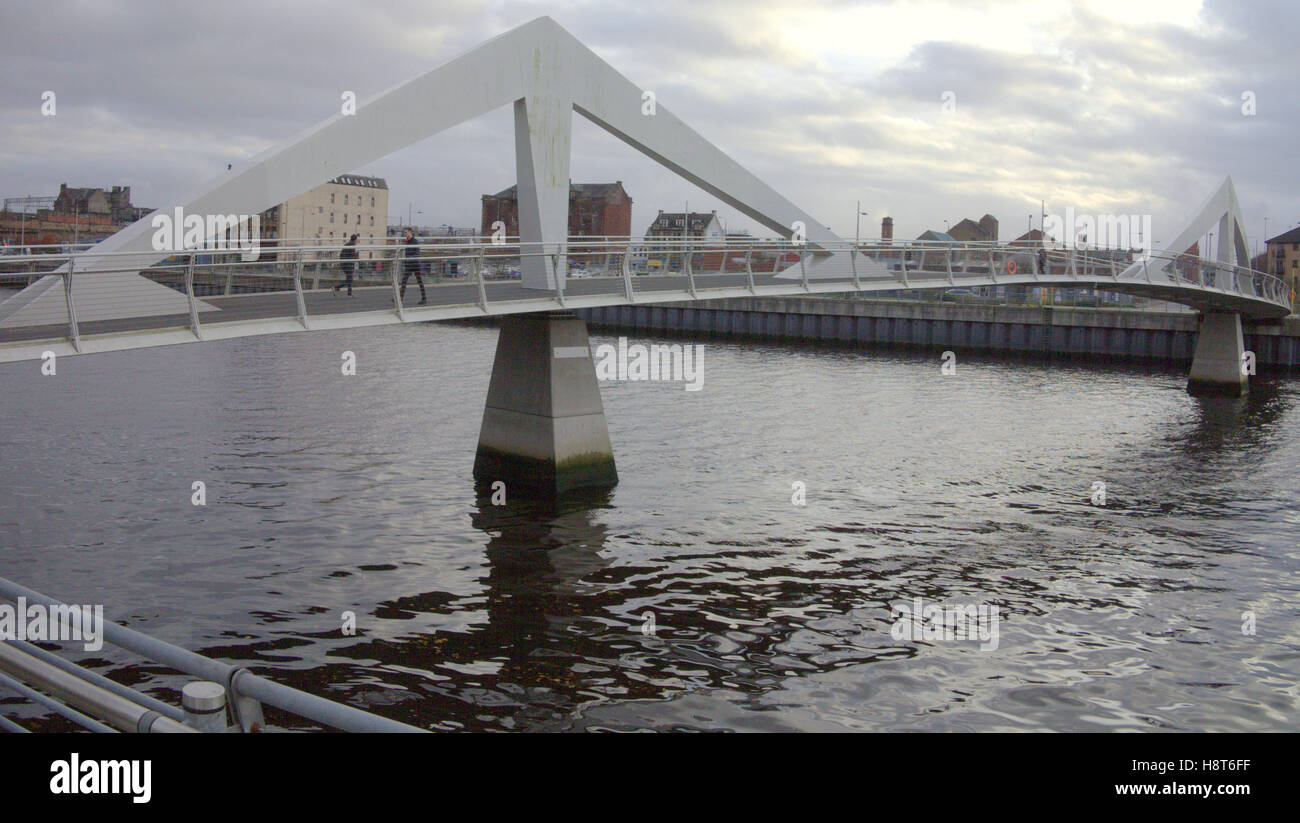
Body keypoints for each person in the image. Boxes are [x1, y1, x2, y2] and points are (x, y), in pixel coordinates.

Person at [400, 227, 427, 305]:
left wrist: (410, 258)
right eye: (404, 233)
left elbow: (416, 252)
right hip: (409, 264)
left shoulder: (414, 241)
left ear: (410, 232)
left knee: (419, 281)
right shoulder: (407, 241)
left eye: (406, 232)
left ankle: (424, 298)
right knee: (404, 281)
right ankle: (400, 298)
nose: (405, 234)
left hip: (415, 264)